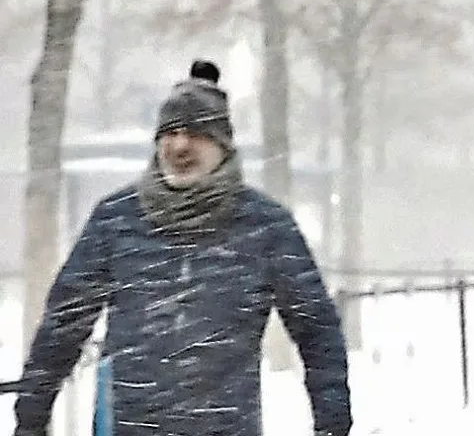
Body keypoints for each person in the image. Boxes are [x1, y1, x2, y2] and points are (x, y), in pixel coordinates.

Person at [14, 61, 351, 436]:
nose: (180, 145)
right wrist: (31, 413)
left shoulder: (265, 226)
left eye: (196, 133)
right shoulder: (116, 220)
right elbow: (64, 323)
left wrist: (333, 421)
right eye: (170, 132)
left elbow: (317, 329)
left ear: (223, 146)